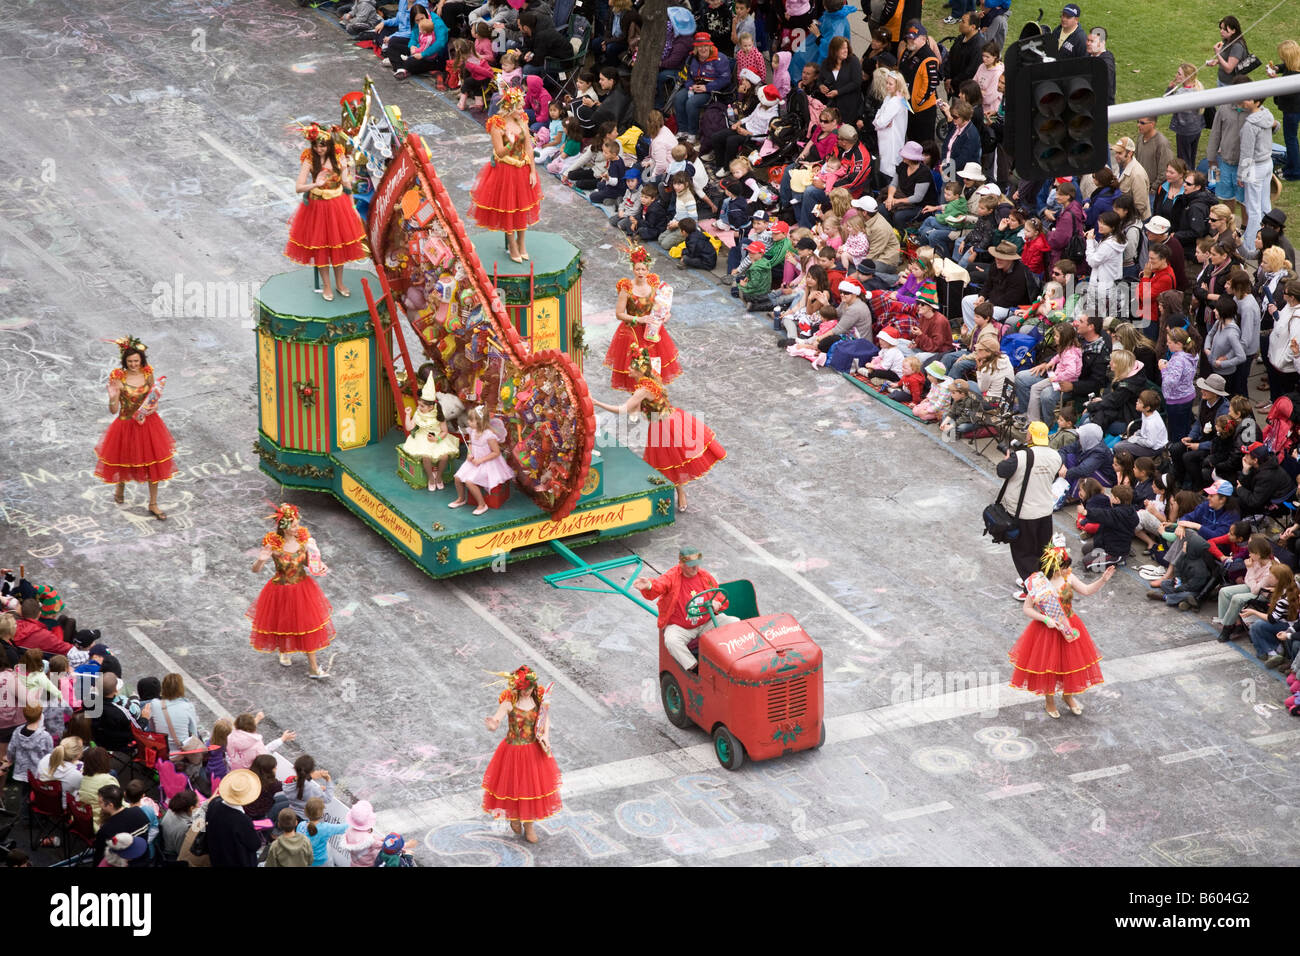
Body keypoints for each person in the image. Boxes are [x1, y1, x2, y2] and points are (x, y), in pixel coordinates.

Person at [590, 350, 726, 512]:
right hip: (672, 418)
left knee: (669, 461)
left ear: (640, 371)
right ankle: (678, 493)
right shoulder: (649, 379)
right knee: (671, 461)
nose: (628, 371)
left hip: (664, 425)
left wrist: (597, 403)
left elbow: (623, 409)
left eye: (632, 369)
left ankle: (677, 494)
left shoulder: (643, 390)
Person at [1010, 545, 1113, 718]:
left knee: (1071, 665)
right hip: (1047, 630)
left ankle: (1068, 696)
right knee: (1048, 667)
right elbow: (1027, 608)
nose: (1067, 569)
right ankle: (1049, 702)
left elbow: (1087, 590)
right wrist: (1045, 619)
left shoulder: (1068, 577)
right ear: (1055, 568)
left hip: (1069, 625)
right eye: (1064, 566)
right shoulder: (1039, 583)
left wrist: (1103, 580)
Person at [248, 503, 334, 678]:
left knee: (308, 626)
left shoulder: (304, 540)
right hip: (281, 589)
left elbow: (309, 564)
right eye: (294, 525)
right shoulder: (274, 544)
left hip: (302, 589)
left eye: (297, 523)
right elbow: (255, 570)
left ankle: (313, 668)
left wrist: (317, 559)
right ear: (285, 528)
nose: (298, 527)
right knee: (284, 622)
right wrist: (261, 560)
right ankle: (284, 651)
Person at [94, 336, 175, 520]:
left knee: (154, 464)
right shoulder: (118, 379)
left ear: (142, 360)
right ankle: (120, 485)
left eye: (136, 361)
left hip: (149, 423)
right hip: (126, 423)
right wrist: (113, 396)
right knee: (124, 457)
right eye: (130, 361)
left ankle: (153, 503)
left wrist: (153, 407)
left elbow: (153, 397)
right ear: (125, 361)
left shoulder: (148, 374)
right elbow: (113, 410)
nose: (133, 364)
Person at [285, 125, 367, 301]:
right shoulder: (309, 160)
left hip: (338, 206)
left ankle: (339, 283)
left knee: (339, 246)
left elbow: (346, 184)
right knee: (321, 247)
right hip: (318, 207)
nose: (319, 149)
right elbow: (298, 187)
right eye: (316, 145)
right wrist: (315, 184)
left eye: (322, 145)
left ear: (329, 145)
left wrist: (352, 207)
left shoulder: (338, 156)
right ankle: (327, 286)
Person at [481, 665, 561, 844]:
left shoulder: (539, 701)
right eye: (522, 689)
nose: (526, 692)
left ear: (533, 686)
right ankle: (514, 817)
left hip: (533, 751)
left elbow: (544, 718)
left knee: (530, 789)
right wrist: (491, 725)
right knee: (512, 787)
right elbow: (496, 720)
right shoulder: (509, 702)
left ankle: (529, 826)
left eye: (529, 688)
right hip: (512, 751)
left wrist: (546, 736)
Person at [635, 547, 741, 671]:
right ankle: (695, 668)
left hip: (706, 621)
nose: (695, 568)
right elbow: (659, 585)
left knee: (734, 622)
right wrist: (649, 586)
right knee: (671, 640)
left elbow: (718, 594)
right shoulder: (672, 576)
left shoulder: (705, 576)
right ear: (681, 564)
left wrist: (716, 602)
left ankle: (735, 656)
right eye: (691, 565)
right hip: (682, 626)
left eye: (697, 564)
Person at [468, 86, 541, 263]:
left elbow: (529, 147)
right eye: (518, 107)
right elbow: (500, 152)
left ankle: (521, 242)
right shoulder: (497, 124)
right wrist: (512, 143)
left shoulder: (522, 120)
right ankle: (512, 244)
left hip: (522, 168)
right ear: (509, 107)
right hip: (505, 170)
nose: (522, 110)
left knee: (523, 206)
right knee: (508, 208)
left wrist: (532, 170)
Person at [995, 423, 1064, 597]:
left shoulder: (1020, 456)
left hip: (1024, 513)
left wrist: (1007, 459)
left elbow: (1001, 471)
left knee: (1023, 553)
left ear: (1029, 437)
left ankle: (1032, 589)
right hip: (1045, 511)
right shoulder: (1056, 456)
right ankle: (1040, 581)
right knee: (1042, 549)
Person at [604, 244, 683, 392]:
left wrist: (666, 315)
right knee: (638, 370)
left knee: (653, 369)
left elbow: (661, 306)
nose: (640, 272)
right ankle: (638, 400)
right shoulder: (626, 288)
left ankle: (651, 399)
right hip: (632, 334)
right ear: (633, 269)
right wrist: (637, 319)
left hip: (652, 332)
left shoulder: (654, 284)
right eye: (637, 269)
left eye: (643, 269)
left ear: (648, 270)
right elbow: (619, 313)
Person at [450, 405, 514, 515]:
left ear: (480, 422)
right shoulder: (473, 431)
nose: (468, 422)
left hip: (487, 463)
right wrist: (469, 454)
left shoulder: (489, 435)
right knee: (457, 478)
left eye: (471, 420)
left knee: (470, 482)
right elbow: (471, 444)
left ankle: (482, 504)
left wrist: (481, 460)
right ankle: (461, 498)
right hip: (473, 461)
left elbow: (496, 452)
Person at [1237, 91, 1276, 251]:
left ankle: (1251, 246)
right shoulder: (1266, 114)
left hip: (1255, 168)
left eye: (1248, 99)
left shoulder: (1250, 124)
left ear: (1257, 102)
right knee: (1265, 205)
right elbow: (1275, 125)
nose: (1244, 101)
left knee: (1253, 209)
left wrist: (1241, 175)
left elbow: (1246, 153)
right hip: (1267, 163)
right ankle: (1271, 239)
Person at [205, 769, 263, 868]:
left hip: (217, 858)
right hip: (236, 861)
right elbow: (255, 844)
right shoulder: (242, 820)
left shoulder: (214, 804)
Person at [899, 23, 939, 142]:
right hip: (908, 106)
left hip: (922, 111)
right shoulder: (907, 51)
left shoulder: (929, 58)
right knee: (911, 139)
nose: (910, 40)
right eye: (908, 37)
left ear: (923, 39)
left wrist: (917, 102)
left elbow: (931, 85)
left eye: (913, 38)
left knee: (924, 145)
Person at [92, 785, 150, 867]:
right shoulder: (138, 811)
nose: (99, 804)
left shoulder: (106, 830)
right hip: (144, 859)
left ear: (110, 805)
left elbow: (100, 855)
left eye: (100, 802)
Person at [1268, 42, 1300, 181]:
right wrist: (1276, 68)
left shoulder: (1292, 78)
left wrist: (1275, 81)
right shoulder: (1295, 63)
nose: (1281, 60)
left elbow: (1283, 93)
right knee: (1292, 139)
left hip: (1292, 110)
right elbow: (1286, 67)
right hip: (1294, 109)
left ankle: (1294, 172)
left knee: (1291, 140)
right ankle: (1292, 165)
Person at [1110, 136, 1151, 220]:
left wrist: (1127, 223)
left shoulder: (1137, 175)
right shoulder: (1121, 165)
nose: (1116, 156)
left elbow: (1140, 206)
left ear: (1130, 153)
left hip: (1134, 222)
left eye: (1120, 153)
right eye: (1116, 152)